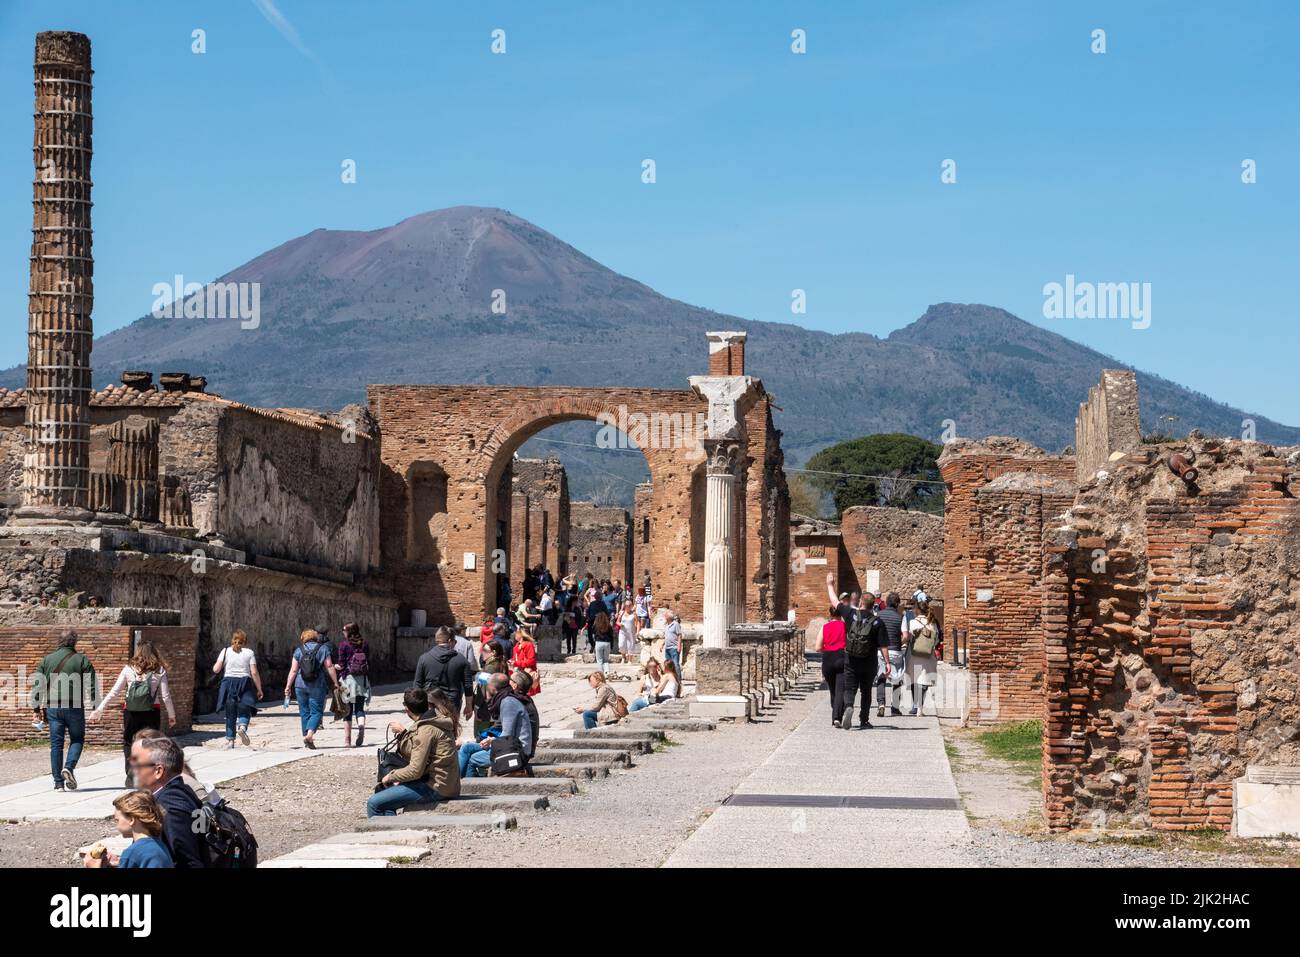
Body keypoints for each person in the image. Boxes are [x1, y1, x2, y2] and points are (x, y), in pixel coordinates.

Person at [90, 641, 177, 784]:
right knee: (152, 743)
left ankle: (131, 772)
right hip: (152, 711)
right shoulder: (159, 670)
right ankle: (147, 775)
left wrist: (100, 709)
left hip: (130, 711)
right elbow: (166, 696)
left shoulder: (128, 669)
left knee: (129, 741)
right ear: (154, 653)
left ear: (138, 652)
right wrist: (172, 715)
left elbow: (115, 692)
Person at [368, 688, 461, 817]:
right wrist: (403, 734)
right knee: (382, 793)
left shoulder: (425, 730)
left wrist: (391, 776)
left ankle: (384, 834)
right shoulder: (436, 720)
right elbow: (415, 752)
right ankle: (391, 829)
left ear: (407, 709)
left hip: (436, 787)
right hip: (446, 782)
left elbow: (415, 770)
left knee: (374, 803)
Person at [30, 630, 98, 792]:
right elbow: (92, 685)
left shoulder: (46, 660)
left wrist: (36, 709)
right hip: (74, 706)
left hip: (53, 707)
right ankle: (68, 767)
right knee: (77, 739)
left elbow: (37, 685)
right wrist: (96, 705)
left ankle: (58, 783)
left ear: (59, 642)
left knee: (56, 745)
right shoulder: (82, 660)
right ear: (74, 642)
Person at [130, 735, 205, 868]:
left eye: (139, 765)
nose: (134, 770)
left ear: (158, 771)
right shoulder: (180, 790)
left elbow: (189, 862)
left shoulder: (169, 808)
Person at [458, 670, 536, 778]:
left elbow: (507, 735)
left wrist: (491, 741)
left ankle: (460, 786)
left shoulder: (508, 702)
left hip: (517, 752)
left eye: (511, 680)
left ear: (492, 688)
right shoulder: (508, 699)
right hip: (514, 746)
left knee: (472, 758)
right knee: (467, 748)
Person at [85, 790, 173, 869]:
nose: (116, 824)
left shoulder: (132, 853)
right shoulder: (160, 845)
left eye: (117, 820)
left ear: (131, 820)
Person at [283, 628, 339, 749]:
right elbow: (329, 666)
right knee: (317, 711)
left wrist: (288, 686)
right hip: (317, 684)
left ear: (303, 638)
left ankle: (306, 738)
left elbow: (293, 670)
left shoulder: (299, 650)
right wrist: (335, 682)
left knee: (304, 712)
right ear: (315, 637)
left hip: (299, 684)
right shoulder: (323, 649)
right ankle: (309, 735)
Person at [210, 630, 263, 751]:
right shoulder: (249, 652)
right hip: (245, 682)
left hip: (229, 683)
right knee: (245, 709)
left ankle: (230, 741)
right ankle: (243, 728)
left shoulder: (225, 651)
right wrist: (259, 689)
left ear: (232, 639)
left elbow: (216, 669)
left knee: (230, 713)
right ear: (245, 641)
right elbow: (254, 672)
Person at [413, 627, 474, 718]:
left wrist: (418, 707)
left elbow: (417, 684)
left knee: (429, 730)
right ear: (450, 641)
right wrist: (469, 706)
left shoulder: (424, 658)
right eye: (455, 641)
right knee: (451, 730)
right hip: (452, 704)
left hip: (430, 704)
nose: (455, 644)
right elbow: (468, 685)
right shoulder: (461, 660)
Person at [336, 622, 372, 748]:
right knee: (359, 708)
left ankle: (347, 740)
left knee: (347, 711)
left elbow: (341, 665)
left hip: (347, 680)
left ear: (349, 631)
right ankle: (361, 726)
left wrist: (333, 667)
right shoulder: (364, 644)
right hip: (361, 680)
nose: (343, 632)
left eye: (344, 630)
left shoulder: (343, 645)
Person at [875, 592, 907, 717]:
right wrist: (899, 642)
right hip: (896, 651)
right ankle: (895, 708)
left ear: (886, 602)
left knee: (881, 677)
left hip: (881, 652)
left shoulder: (878, 615)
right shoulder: (901, 617)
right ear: (897, 604)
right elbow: (905, 636)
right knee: (897, 680)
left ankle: (881, 704)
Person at [815, 603, 847, 727]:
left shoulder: (825, 627)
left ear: (830, 614)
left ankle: (836, 713)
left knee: (833, 690)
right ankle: (837, 717)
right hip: (841, 657)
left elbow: (817, 647)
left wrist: (827, 648)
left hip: (828, 658)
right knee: (840, 690)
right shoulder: (846, 626)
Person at [907, 601, 942, 715]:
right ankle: (920, 706)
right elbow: (936, 640)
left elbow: (909, 638)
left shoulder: (912, 622)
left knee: (914, 679)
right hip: (929, 655)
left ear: (917, 610)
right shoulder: (933, 623)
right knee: (925, 681)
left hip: (915, 654)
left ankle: (915, 705)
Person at [509, 626, 541, 696]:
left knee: (526, 693)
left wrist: (516, 663)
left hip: (526, 673)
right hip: (519, 672)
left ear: (521, 634)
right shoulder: (516, 646)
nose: (515, 634)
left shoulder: (528, 645)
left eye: (517, 632)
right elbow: (516, 659)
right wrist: (511, 662)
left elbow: (531, 661)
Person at [662, 609, 683, 676]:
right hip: (667, 648)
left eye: (665, 616)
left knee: (675, 664)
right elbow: (666, 636)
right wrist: (662, 644)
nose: (664, 617)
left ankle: (678, 680)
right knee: (668, 664)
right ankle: (671, 678)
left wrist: (679, 646)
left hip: (674, 647)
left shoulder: (676, 624)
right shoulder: (666, 625)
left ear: (669, 617)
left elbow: (679, 635)